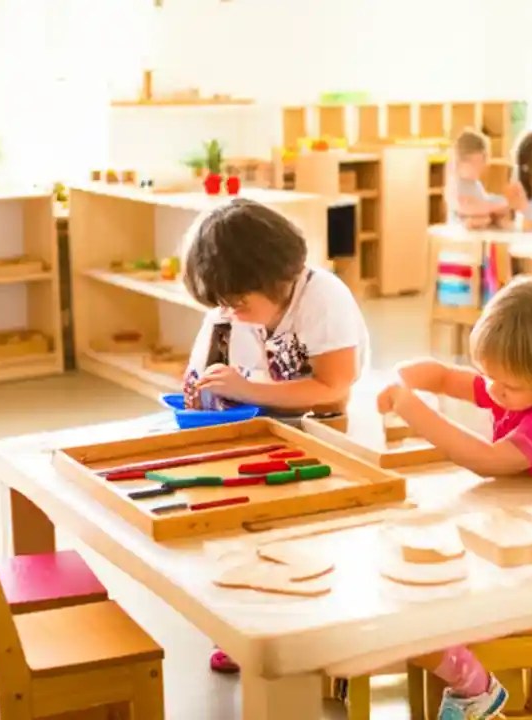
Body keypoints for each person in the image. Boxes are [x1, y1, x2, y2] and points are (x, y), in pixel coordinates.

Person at [376, 275, 532, 719]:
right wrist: (399, 378)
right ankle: (466, 677)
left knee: (418, 614)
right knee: (406, 582)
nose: (494, 391)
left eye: (507, 385)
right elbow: (444, 376)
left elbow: (485, 459)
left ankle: (475, 689)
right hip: (507, 545)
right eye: (489, 376)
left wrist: (411, 408)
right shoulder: (520, 389)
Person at [178, 198, 370, 672]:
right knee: (239, 528)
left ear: (274, 278)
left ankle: (310, 630)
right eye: (223, 303)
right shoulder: (233, 308)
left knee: (303, 536)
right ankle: (250, 628)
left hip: (327, 431)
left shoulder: (321, 299)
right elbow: (206, 363)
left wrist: (245, 387)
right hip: (266, 427)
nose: (229, 311)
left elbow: (333, 391)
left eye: (237, 301)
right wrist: (198, 385)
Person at [446, 128, 510, 228]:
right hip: (459, 235)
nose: (482, 168)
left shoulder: (475, 183)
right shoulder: (455, 185)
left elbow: (485, 199)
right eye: (476, 164)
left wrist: (503, 204)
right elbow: (467, 207)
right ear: (460, 162)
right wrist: (496, 207)